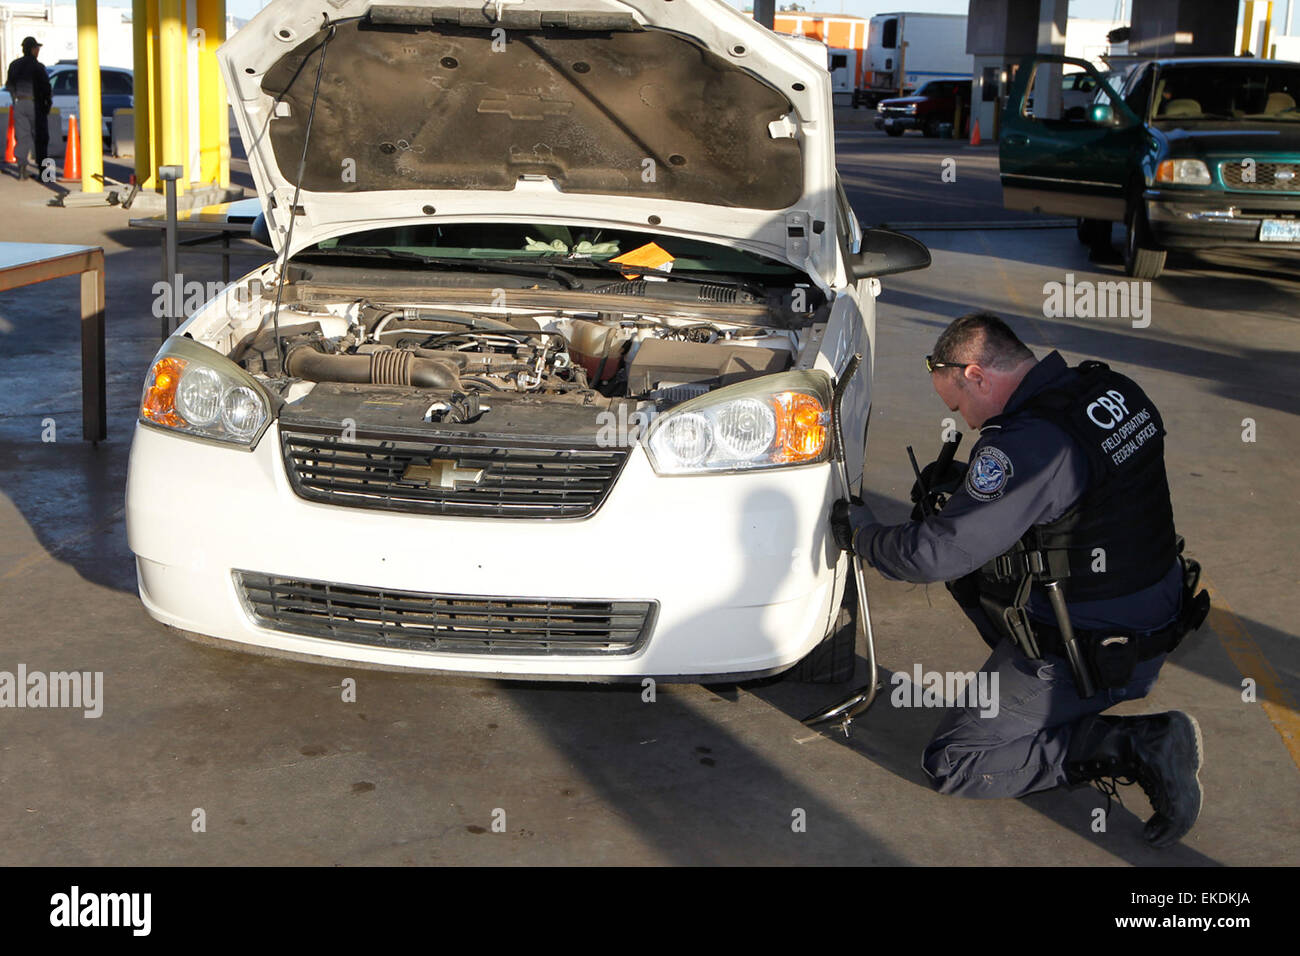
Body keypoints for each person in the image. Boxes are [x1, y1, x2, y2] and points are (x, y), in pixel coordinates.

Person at [832, 311, 1209, 847]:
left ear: (977, 376)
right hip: (1156, 614)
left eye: (959, 406)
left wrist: (864, 532)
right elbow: (1088, 495)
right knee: (988, 549)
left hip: (1095, 648)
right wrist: (967, 490)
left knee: (956, 761)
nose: (967, 424)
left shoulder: (1024, 442)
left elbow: (934, 555)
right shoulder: (1110, 390)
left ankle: (1135, 743)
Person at [5, 36, 51, 180]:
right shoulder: (38, 66)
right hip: (35, 104)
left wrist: (15, 99)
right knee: (41, 137)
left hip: (19, 103)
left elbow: (9, 85)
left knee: (22, 137)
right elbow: (46, 88)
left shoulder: (14, 65)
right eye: (37, 48)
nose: (38, 51)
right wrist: (47, 104)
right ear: (32, 50)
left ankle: (21, 170)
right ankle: (44, 173)